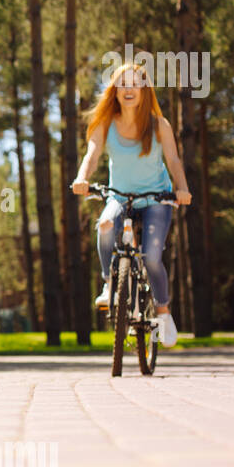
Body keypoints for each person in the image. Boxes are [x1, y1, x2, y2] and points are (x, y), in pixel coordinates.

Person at [71, 62, 192, 347]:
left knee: (151, 256)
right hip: (119, 196)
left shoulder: (158, 124)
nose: (129, 89)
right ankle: (109, 283)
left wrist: (182, 188)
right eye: (122, 84)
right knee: (104, 224)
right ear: (114, 90)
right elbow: (92, 155)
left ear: (143, 90)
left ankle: (162, 312)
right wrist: (81, 177)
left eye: (134, 84)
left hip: (156, 199)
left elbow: (173, 160)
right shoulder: (104, 123)